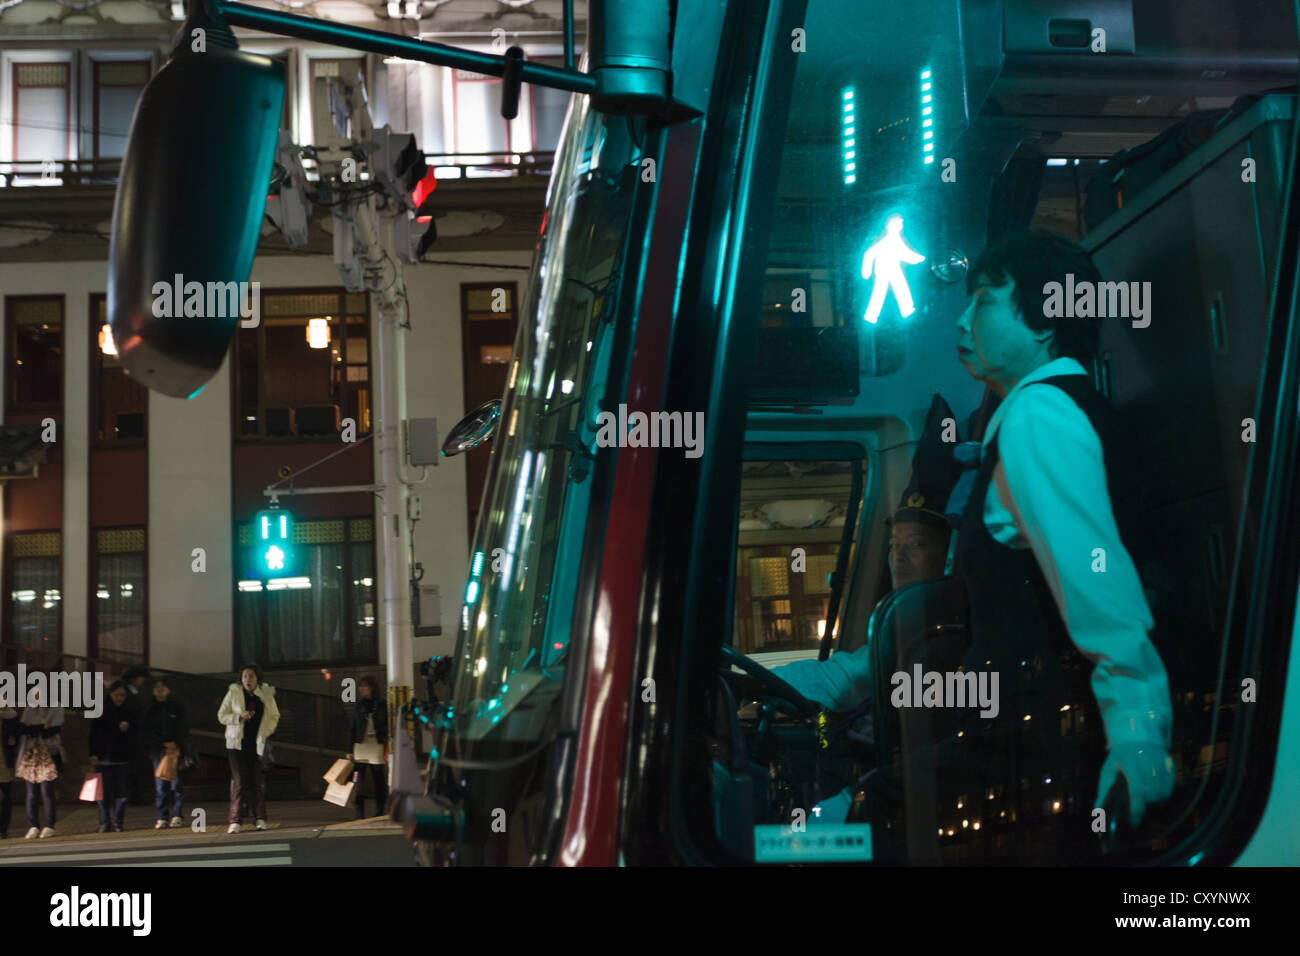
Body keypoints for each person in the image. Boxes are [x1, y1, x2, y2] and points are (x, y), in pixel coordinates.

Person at [218, 664, 279, 834]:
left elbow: (274, 715)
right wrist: (238, 716)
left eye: (251, 676)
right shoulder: (234, 692)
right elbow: (221, 716)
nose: (248, 680)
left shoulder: (266, 694)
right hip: (236, 744)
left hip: (257, 744)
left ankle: (260, 818)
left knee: (257, 782)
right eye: (245, 676)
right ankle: (235, 820)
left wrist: (267, 731)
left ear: (257, 678)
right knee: (239, 781)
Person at [15, 689, 63, 839]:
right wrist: (41, 727)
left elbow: (54, 730)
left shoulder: (56, 707)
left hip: (49, 753)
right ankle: (33, 826)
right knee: (31, 793)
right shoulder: (30, 708)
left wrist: (35, 729)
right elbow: (23, 729)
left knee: (47, 791)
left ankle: (49, 825)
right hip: (31, 755)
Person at [88, 681, 135, 833]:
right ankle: (104, 822)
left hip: (121, 757)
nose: (120, 698)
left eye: (122, 695)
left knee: (121, 792)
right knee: (102, 793)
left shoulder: (128, 711)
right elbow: (93, 734)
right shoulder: (101, 710)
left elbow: (136, 732)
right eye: (117, 695)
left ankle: (118, 822)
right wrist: (93, 755)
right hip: (103, 757)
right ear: (111, 694)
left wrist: (127, 729)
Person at [144, 677, 188, 829]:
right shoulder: (150, 709)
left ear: (169, 689)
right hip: (158, 751)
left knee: (176, 785)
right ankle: (162, 816)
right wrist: (162, 744)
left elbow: (183, 727)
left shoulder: (177, 707)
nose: (160, 689)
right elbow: (147, 731)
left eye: (163, 686)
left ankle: (177, 815)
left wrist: (175, 743)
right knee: (161, 785)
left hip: (175, 750)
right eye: (157, 687)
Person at [347, 676, 388, 819]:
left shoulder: (381, 705)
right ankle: (359, 813)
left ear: (372, 688)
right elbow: (352, 728)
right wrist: (349, 750)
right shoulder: (359, 706)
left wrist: (381, 732)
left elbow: (387, 725)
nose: (362, 689)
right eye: (360, 686)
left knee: (379, 780)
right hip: (360, 749)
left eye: (365, 686)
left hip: (376, 747)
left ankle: (380, 809)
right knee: (358, 781)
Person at [122, 666, 152, 805]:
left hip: (137, 736)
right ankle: (132, 796)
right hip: (131, 737)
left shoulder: (136, 693)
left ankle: (135, 796)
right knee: (131, 768)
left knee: (137, 767)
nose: (143, 680)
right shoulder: (127, 694)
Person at [0, 706, 19, 839]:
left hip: (5, 761)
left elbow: (16, 735)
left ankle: (3, 829)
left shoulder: (10, 716)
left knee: (6, 796)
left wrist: (13, 740)